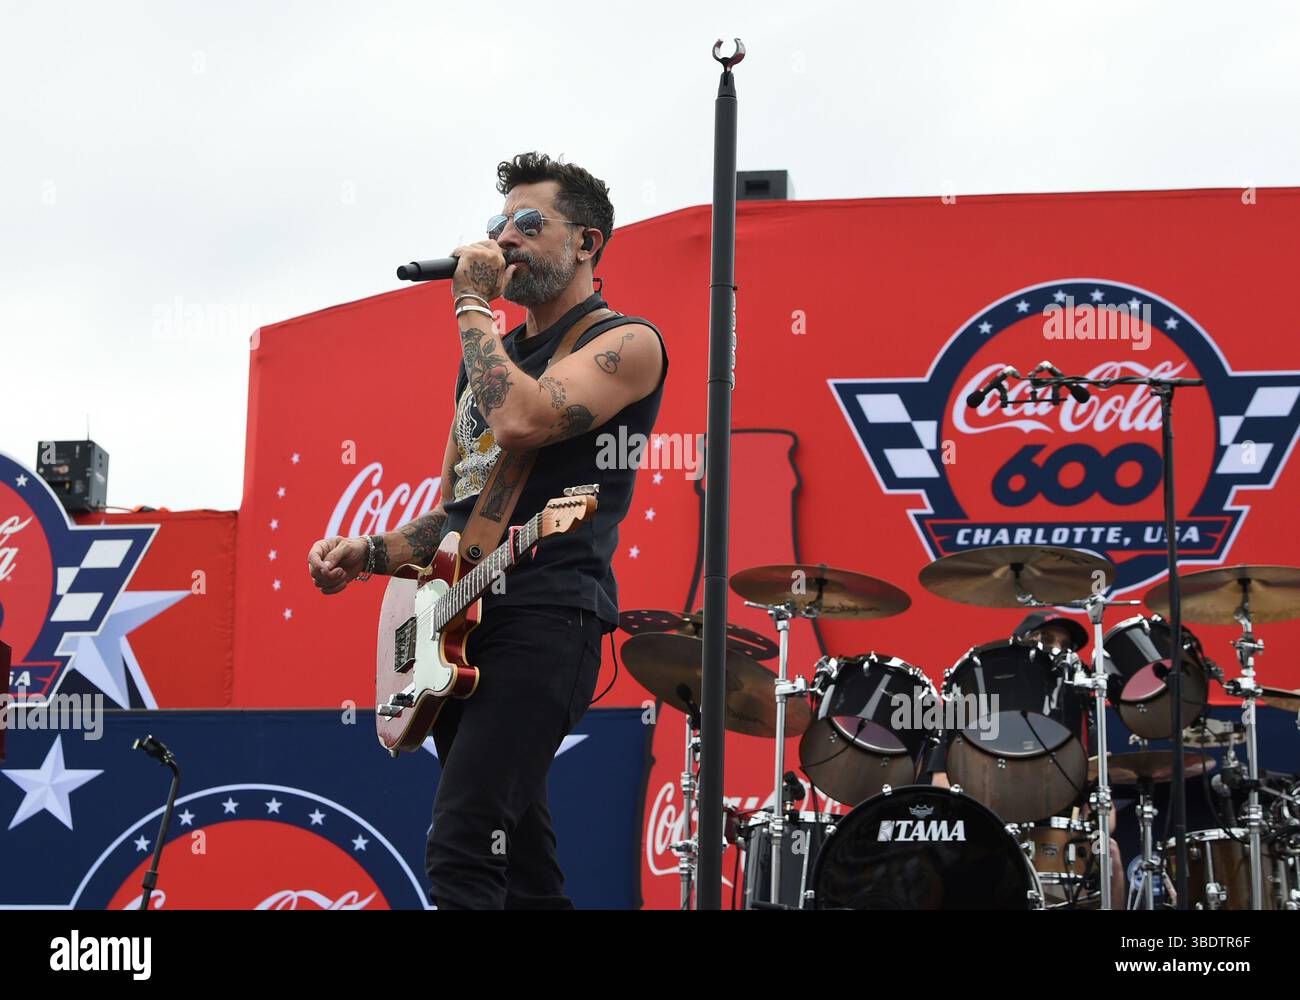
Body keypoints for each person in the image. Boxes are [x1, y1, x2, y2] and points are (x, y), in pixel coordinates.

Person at [307, 152, 668, 908]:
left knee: (464, 840)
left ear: (587, 242)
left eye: (529, 224)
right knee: (526, 870)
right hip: (462, 623)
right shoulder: (492, 358)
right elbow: (457, 512)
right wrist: (367, 553)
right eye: (497, 224)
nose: (505, 239)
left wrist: (473, 307)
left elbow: (522, 419)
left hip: (545, 614)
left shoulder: (628, 342)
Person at [924, 611, 1126, 903]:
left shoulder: (1081, 722)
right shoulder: (973, 706)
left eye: (1065, 645)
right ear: (1019, 650)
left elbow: (1106, 817)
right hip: (988, 830)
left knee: (1112, 855)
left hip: (1054, 843)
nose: (1056, 649)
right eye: (1045, 639)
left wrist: (1091, 827)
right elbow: (941, 783)